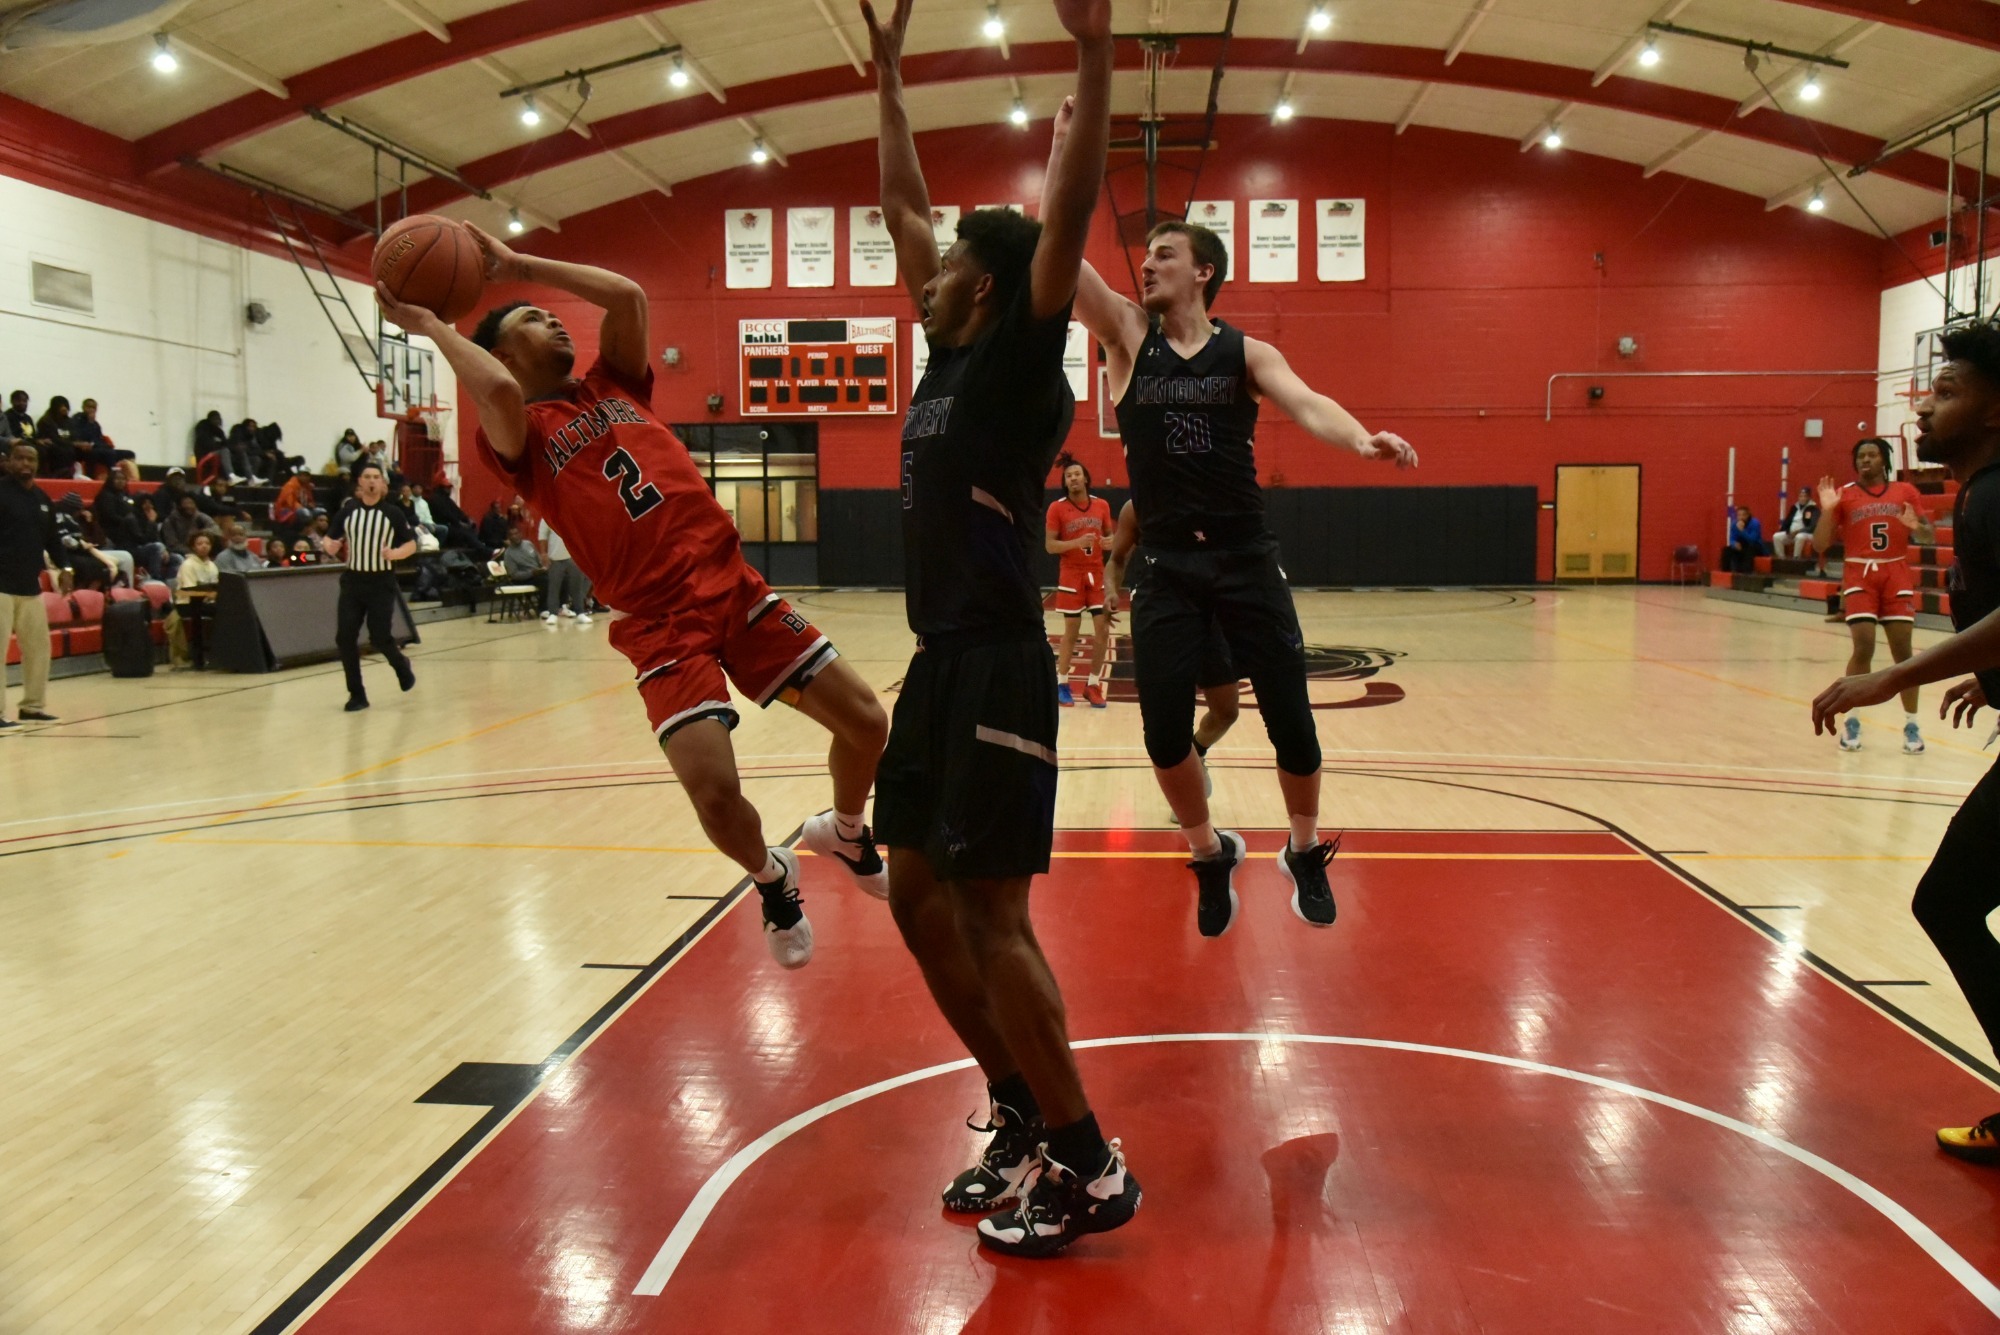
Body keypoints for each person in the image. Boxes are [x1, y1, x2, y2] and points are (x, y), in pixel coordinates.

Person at [377, 217, 891, 969]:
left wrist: (517, 262)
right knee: (716, 795)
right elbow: (489, 385)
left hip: (735, 589)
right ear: (504, 352)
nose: (553, 318)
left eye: (550, 314)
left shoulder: (613, 384)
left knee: (870, 723)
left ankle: (844, 829)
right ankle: (771, 875)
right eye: (531, 318)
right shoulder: (517, 435)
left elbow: (626, 294)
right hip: (661, 624)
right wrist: (426, 323)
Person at [863, 0, 1140, 1259]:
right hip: (934, 661)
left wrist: (1088, 56)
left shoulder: (1017, 356)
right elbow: (901, 209)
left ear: (978, 280)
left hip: (997, 658)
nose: (914, 274)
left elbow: (1063, 219)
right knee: (913, 896)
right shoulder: (940, 355)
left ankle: (1089, 1162)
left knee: (990, 916)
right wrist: (884, 80)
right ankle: (1024, 1112)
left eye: (936, 268)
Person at [1056, 113, 1414, 941]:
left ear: (1204, 271)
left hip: (1247, 558)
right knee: (1160, 729)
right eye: (1145, 257)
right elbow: (1066, 260)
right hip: (1171, 567)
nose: (1147, 263)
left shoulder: (1244, 353)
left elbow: (1306, 401)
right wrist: (1063, 158)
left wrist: (1362, 437)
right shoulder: (1125, 338)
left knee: (1292, 716)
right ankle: (1208, 850)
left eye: (1165, 255)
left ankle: (1298, 848)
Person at [1810, 321, 2000, 1163]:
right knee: (1951, 901)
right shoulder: (1979, 491)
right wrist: (1988, 674)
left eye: (1950, 391)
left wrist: (1893, 679)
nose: (1926, 404)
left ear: (1995, 410)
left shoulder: (1996, 493)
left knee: (1947, 900)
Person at [1812, 437, 1935, 754]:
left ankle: (1911, 724)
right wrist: (1828, 511)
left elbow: (1927, 534)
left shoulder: (1905, 492)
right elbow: (1820, 545)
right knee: (1863, 644)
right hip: (1860, 573)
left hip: (1896, 572)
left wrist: (1916, 527)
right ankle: (1853, 718)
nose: (1866, 460)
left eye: (1872, 455)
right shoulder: (1846, 495)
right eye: (1861, 456)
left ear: (1885, 460)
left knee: (1903, 652)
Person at [1103, 498, 1240, 780]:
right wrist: (1110, 591)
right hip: (1161, 614)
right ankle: (1186, 783)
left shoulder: (1212, 500)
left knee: (1227, 710)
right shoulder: (1137, 507)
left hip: (1210, 608)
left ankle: (1197, 752)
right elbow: (1116, 560)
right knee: (1170, 721)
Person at [323, 461, 418, 710]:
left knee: (380, 638)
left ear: (383, 484)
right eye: (367, 476)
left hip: (381, 582)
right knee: (345, 638)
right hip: (353, 582)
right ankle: (357, 694)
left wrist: (395, 554)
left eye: (377, 477)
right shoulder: (348, 510)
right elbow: (329, 537)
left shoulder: (393, 514)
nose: (372, 481)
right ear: (360, 483)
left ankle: (400, 664)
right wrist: (329, 546)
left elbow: (411, 544)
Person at [0, 441, 68, 726]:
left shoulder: (42, 499)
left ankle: (33, 706)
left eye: (31, 459)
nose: (25, 464)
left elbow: (53, 539)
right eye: (20, 459)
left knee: (39, 649)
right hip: (0, 585)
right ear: (9, 461)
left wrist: (65, 567)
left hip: (30, 586)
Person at [1044, 456, 1114, 707]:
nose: (1072, 478)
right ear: (1065, 482)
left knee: (1103, 629)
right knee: (1071, 632)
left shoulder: (1102, 505)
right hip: (1071, 573)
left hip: (1096, 572)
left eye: (1076, 474)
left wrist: (1111, 542)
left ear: (1085, 478)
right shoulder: (1056, 508)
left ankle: (1092, 684)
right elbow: (1050, 546)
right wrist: (1076, 543)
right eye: (1068, 476)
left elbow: (1112, 537)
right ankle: (1062, 683)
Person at [173, 531, 219, 669]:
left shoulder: (212, 565)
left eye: (207, 543)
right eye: (200, 544)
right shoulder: (188, 565)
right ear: (193, 547)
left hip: (205, 602)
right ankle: (198, 658)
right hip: (187, 604)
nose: (204, 546)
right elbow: (189, 590)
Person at [540, 514, 591, 623]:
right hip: (555, 557)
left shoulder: (571, 513)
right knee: (554, 588)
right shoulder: (547, 515)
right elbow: (542, 535)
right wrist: (544, 553)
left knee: (577, 587)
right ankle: (553, 613)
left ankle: (580, 613)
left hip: (574, 556)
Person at [69, 399, 135, 480]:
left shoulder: (95, 424)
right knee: (108, 453)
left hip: (97, 448)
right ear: (83, 407)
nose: (91, 409)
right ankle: (113, 476)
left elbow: (98, 439)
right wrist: (90, 423)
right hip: (83, 450)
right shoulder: (76, 420)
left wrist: (92, 424)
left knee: (129, 453)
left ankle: (131, 478)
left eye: (94, 407)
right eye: (89, 407)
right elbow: (81, 438)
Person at [163, 494, 220, 559]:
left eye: (191, 503)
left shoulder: (200, 517)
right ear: (178, 506)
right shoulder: (170, 521)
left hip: (200, 549)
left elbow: (216, 529)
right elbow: (172, 545)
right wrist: (193, 552)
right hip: (180, 553)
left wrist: (199, 534)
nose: (189, 506)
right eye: (186, 503)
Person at [1773, 485, 1820, 563]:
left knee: (1799, 536)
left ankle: (1796, 559)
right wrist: (1787, 531)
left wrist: (1798, 531)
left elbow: (1812, 526)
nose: (1802, 498)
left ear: (1809, 497)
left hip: (1807, 534)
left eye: (1805, 496)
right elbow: (1787, 521)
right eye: (1801, 496)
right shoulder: (1794, 508)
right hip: (1792, 533)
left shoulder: (1813, 509)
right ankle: (1781, 559)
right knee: (1776, 537)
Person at [34, 395, 77, 479]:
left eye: (66, 406)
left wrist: (76, 443)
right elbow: (52, 438)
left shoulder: (69, 421)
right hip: (52, 445)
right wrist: (72, 443)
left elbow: (74, 436)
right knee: (63, 450)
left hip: (67, 445)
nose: (64, 408)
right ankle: (60, 474)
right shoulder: (45, 421)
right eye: (61, 406)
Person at [1721, 505, 1764, 573]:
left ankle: (1746, 573)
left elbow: (1752, 540)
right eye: (1739, 515)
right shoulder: (1734, 524)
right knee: (1726, 550)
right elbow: (1731, 538)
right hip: (1741, 546)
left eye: (1743, 515)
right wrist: (1734, 544)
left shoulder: (1755, 523)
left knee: (1750, 549)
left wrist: (1742, 531)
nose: (1741, 517)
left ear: (1748, 515)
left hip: (1755, 546)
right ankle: (1725, 572)